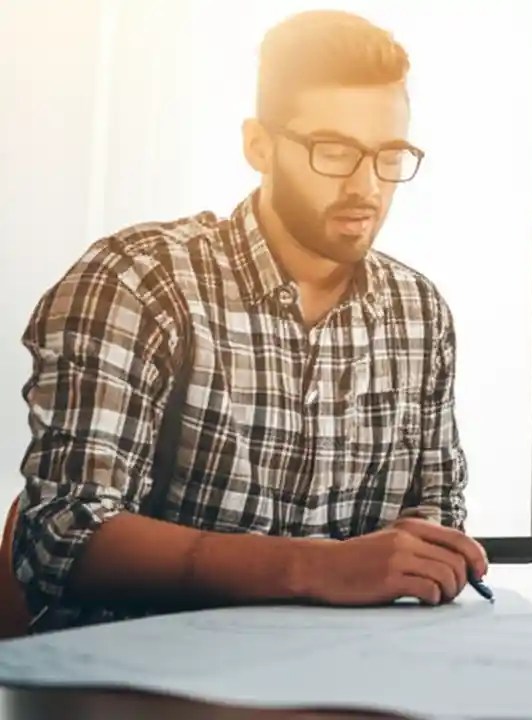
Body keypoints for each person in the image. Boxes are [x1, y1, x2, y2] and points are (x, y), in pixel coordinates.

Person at [13, 10, 487, 632]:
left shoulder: (419, 313)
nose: (367, 186)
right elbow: (62, 536)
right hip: (141, 679)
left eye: (389, 154)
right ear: (258, 145)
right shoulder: (139, 282)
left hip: (348, 675)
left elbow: (435, 525)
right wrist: (315, 568)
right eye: (334, 150)